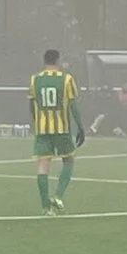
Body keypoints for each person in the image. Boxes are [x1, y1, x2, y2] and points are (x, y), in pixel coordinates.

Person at [29, 48, 84, 213]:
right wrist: (80, 127)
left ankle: (46, 207)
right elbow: (73, 105)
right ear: (58, 61)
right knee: (68, 160)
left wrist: (36, 122)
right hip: (62, 129)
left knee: (43, 165)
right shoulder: (66, 79)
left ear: (44, 61)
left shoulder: (35, 80)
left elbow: (32, 105)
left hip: (42, 130)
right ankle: (58, 196)